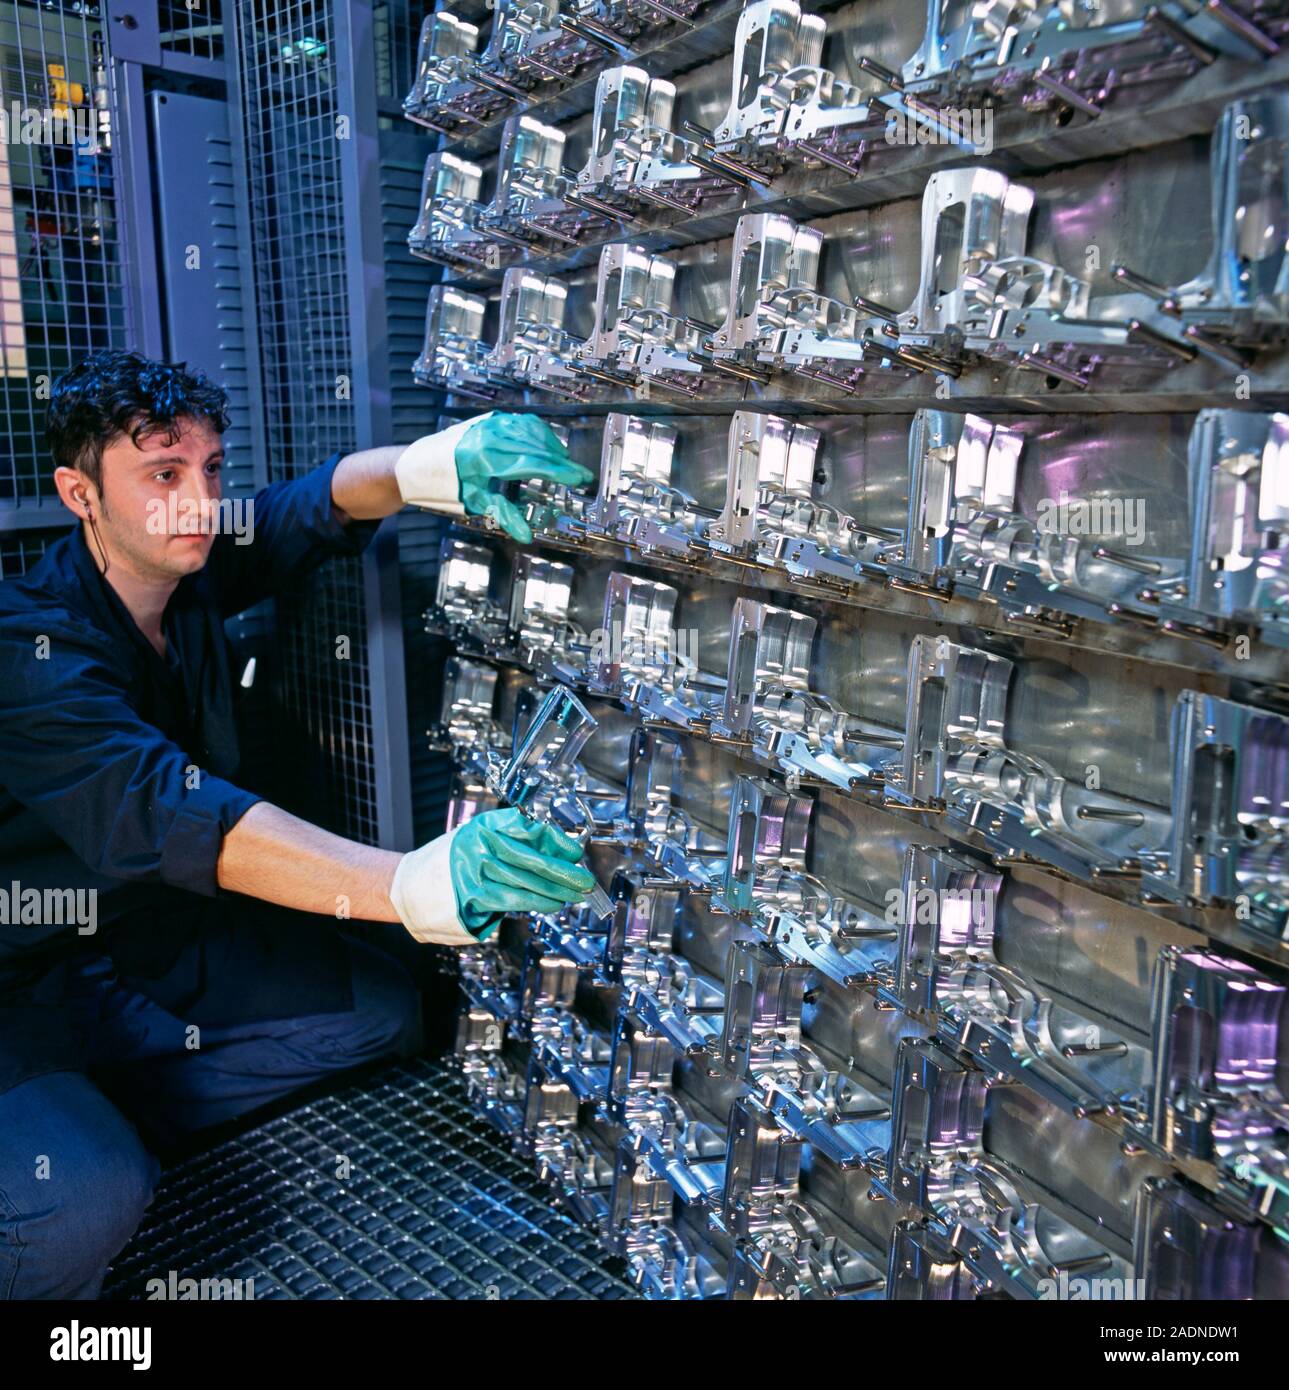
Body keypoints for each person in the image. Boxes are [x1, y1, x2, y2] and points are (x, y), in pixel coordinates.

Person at [0, 349, 597, 1299]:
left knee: (385, 1011)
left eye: (209, 468)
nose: (197, 499)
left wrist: (429, 468)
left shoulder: (181, 564)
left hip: (139, 945)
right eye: (162, 474)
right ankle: (83, 1139)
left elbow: (315, 503)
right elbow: (174, 811)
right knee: (76, 1204)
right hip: (19, 985)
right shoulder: (27, 649)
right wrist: (415, 883)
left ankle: (102, 1107)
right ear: (80, 493)